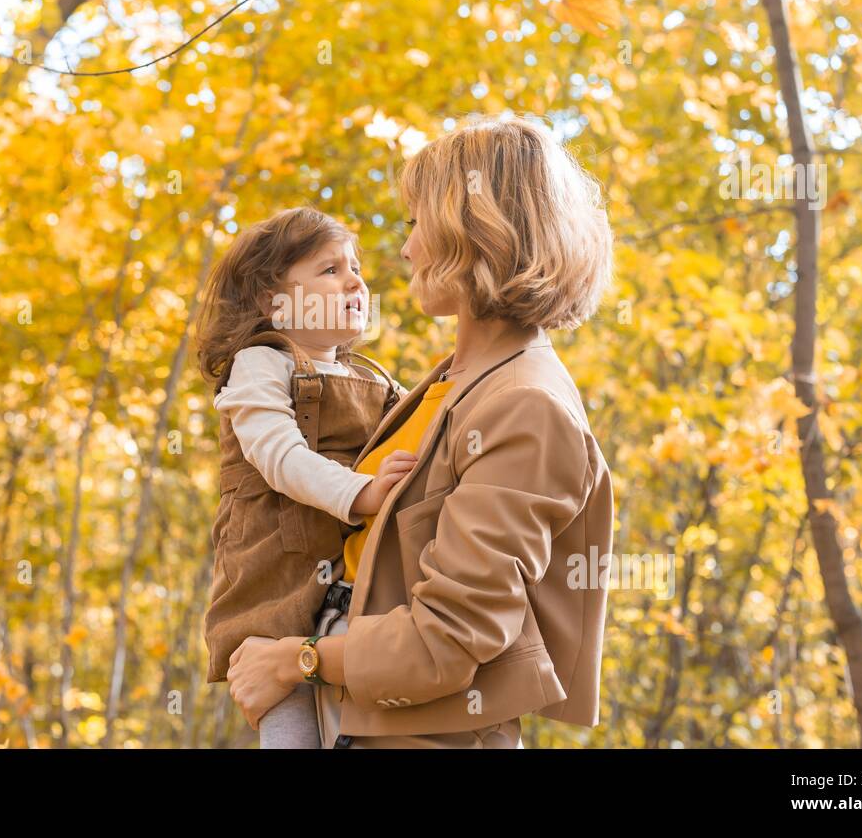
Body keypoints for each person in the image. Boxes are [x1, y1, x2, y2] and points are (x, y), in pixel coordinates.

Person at [227, 116, 617, 748]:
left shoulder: (527, 406)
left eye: (415, 224)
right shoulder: (444, 386)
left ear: (475, 230)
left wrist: (296, 660)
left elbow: (453, 636)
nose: (406, 249)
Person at [197, 207, 414, 747]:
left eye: (356, 267)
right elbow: (280, 457)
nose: (356, 280)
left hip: (348, 586)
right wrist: (361, 491)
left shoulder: (374, 380)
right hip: (275, 579)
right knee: (290, 721)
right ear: (276, 301)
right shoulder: (260, 365)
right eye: (330, 269)